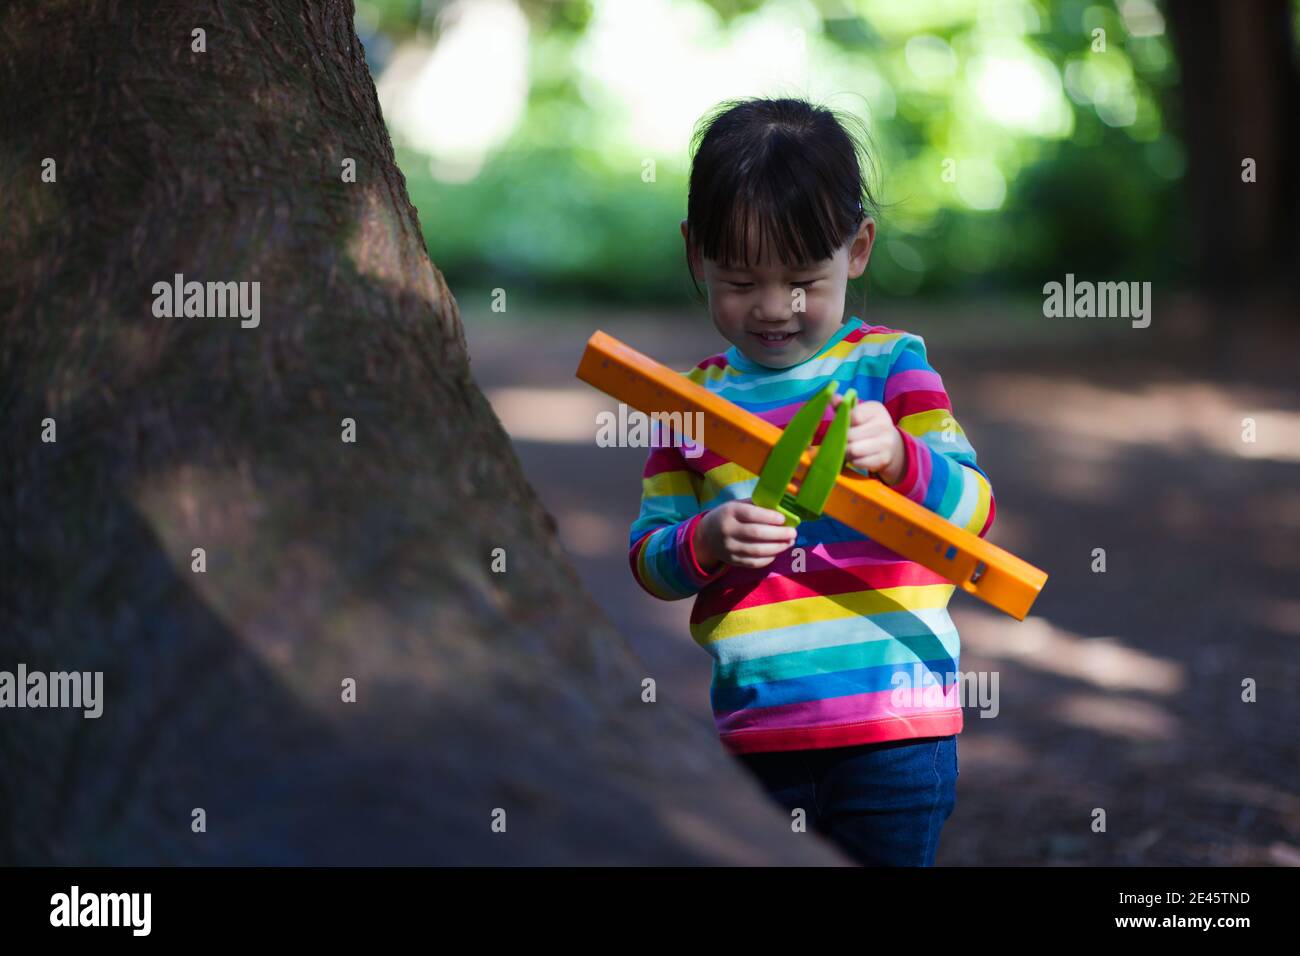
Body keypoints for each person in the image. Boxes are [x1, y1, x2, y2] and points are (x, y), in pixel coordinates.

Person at [627, 97, 996, 866]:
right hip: (759, 727)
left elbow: (975, 515)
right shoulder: (688, 406)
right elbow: (648, 559)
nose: (771, 308)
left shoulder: (892, 367)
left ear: (856, 249)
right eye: (738, 280)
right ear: (695, 254)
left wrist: (902, 459)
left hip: (898, 727)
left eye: (800, 279)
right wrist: (704, 539)